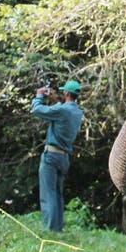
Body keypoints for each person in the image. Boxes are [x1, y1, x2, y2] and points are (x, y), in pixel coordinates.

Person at [31, 80, 83, 232]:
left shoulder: (62, 111)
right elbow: (62, 112)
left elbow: (36, 110)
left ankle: (50, 230)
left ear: (66, 93)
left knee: (48, 194)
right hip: (64, 157)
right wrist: (55, 101)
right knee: (57, 194)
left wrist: (39, 96)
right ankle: (57, 228)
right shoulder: (77, 112)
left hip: (51, 156)